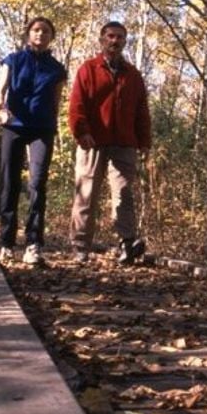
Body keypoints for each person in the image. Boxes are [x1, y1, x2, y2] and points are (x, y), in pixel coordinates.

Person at [68, 20, 152, 264]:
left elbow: (141, 111)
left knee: (124, 193)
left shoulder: (133, 75)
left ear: (125, 42)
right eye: (111, 36)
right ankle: (81, 246)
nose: (115, 41)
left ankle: (127, 243)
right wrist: (81, 131)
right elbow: (76, 104)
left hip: (124, 143)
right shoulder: (88, 69)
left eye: (120, 37)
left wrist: (144, 141)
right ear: (102, 40)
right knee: (87, 192)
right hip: (92, 141)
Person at [0, 17, 66, 267]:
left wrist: (55, 129)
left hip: (42, 129)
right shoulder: (13, 60)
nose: (40, 34)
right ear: (28, 34)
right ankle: (6, 243)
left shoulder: (57, 69)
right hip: (14, 125)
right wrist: (1, 109)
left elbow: (56, 103)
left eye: (46, 31)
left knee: (37, 183)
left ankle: (33, 244)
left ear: (51, 37)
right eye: (36, 30)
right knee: (9, 182)